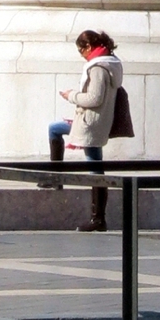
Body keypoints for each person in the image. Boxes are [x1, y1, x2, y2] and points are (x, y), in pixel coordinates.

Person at [48, 29, 122, 231]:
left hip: (91, 124)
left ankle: (98, 219)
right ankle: (56, 178)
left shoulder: (98, 68)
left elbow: (94, 99)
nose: (82, 55)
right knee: (54, 128)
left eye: (81, 51)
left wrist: (71, 95)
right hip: (90, 121)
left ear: (88, 47)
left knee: (96, 169)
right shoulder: (109, 62)